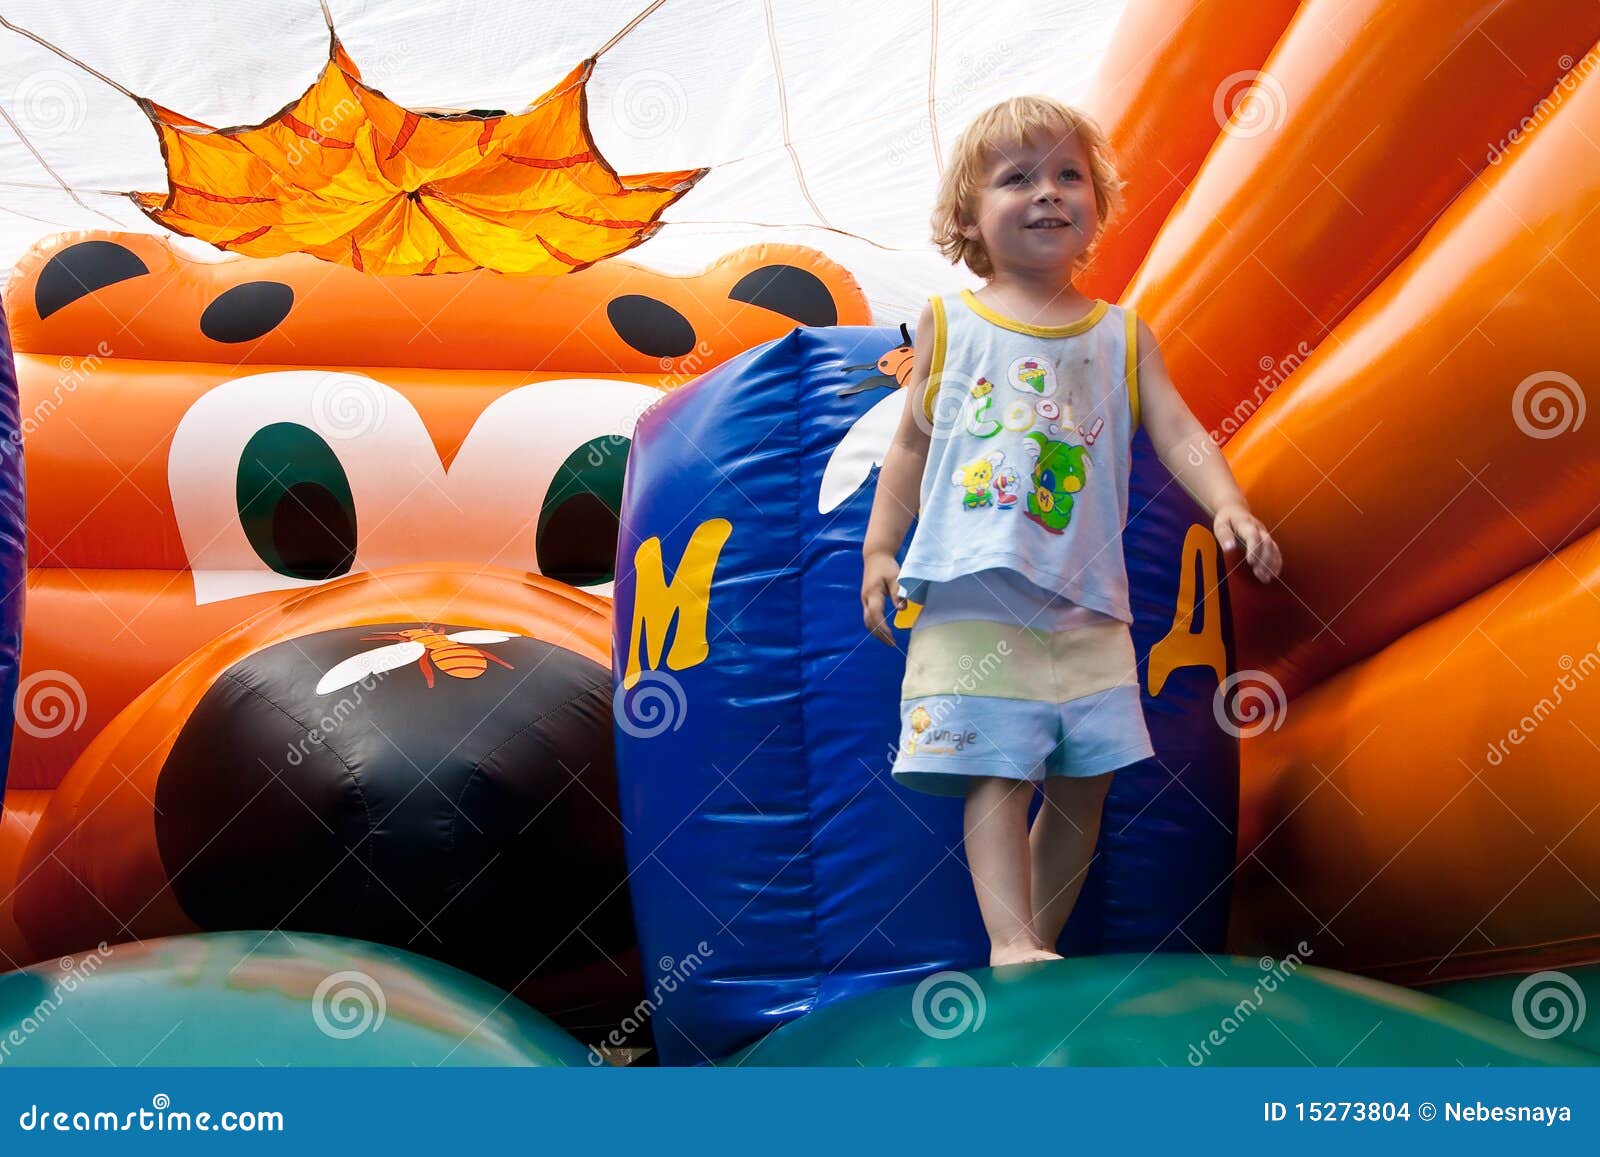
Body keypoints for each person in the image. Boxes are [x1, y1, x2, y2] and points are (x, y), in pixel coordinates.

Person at [859, 95, 1282, 968]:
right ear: (968, 216)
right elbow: (910, 444)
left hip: (1089, 597)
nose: (1047, 191)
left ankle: (1038, 940)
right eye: (1017, 178)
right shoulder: (951, 322)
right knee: (997, 765)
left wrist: (1228, 502)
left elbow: (1178, 429)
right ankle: (1009, 939)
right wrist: (878, 549)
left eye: (1067, 175)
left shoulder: (1122, 336)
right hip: (976, 586)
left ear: (1096, 203)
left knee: (1086, 778)